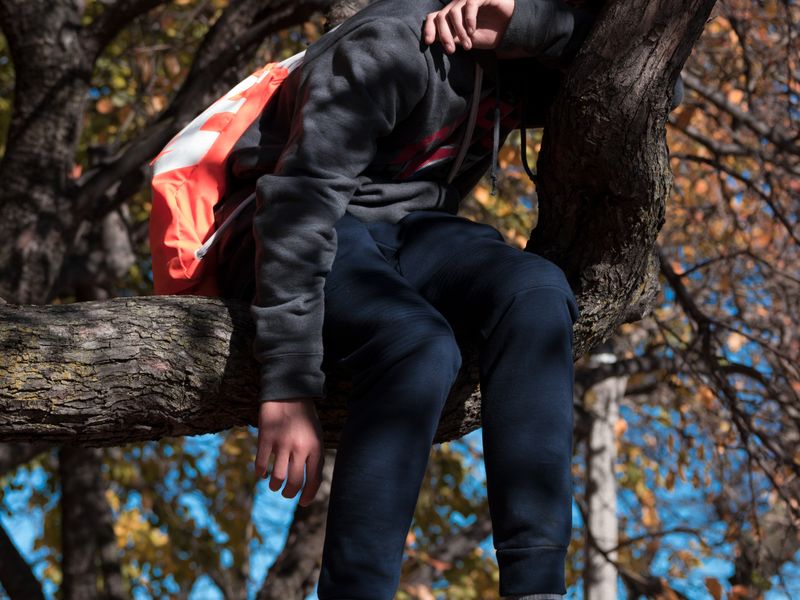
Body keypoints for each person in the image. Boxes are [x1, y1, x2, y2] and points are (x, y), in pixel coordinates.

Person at [213, 0, 683, 597]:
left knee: (537, 292)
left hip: (414, 230)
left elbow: (655, 73)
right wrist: (287, 384)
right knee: (417, 345)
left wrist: (528, 26)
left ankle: (537, 586)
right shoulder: (390, 42)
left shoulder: (518, 50)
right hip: (287, 230)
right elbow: (297, 207)